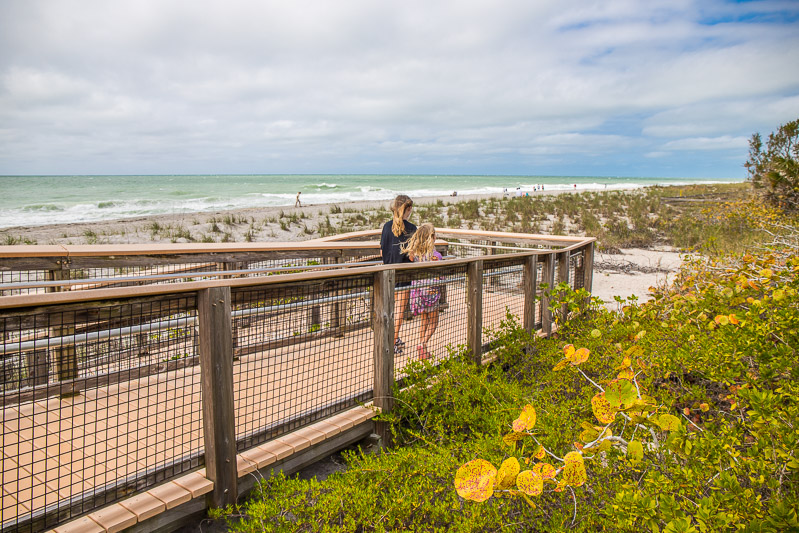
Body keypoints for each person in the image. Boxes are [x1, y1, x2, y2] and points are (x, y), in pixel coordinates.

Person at [380, 194, 416, 354]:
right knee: (400, 310)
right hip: (403, 274)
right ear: (408, 209)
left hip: (387, 273)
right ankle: (392, 342)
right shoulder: (412, 229)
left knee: (389, 309)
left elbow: (382, 251)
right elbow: (412, 256)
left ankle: (391, 337)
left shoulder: (386, 227)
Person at [400, 223, 442, 360]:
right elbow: (441, 274)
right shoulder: (436, 256)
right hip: (431, 293)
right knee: (434, 322)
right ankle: (422, 344)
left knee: (424, 320)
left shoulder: (414, 255)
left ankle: (422, 351)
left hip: (418, 293)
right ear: (433, 237)